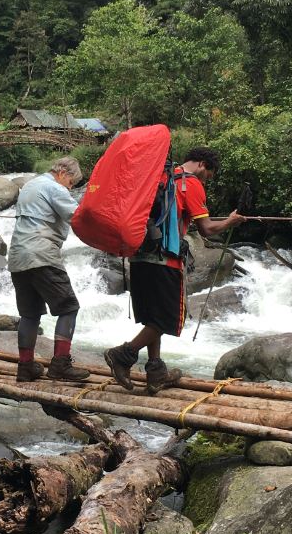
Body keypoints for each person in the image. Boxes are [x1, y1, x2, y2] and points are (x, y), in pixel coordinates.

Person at [103, 147, 244, 394]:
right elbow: (207, 229)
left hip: (138, 257)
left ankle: (156, 372)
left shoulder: (158, 175)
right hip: (165, 259)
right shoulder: (190, 184)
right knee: (166, 318)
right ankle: (123, 355)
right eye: (207, 175)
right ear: (202, 165)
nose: (206, 180)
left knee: (152, 317)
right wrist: (230, 222)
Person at [7, 157, 90, 384]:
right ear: (62, 172)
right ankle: (60, 364)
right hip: (41, 255)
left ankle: (25, 367)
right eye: (71, 182)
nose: (70, 187)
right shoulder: (54, 188)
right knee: (69, 307)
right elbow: (79, 216)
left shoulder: (30, 185)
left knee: (30, 314)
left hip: (17, 257)